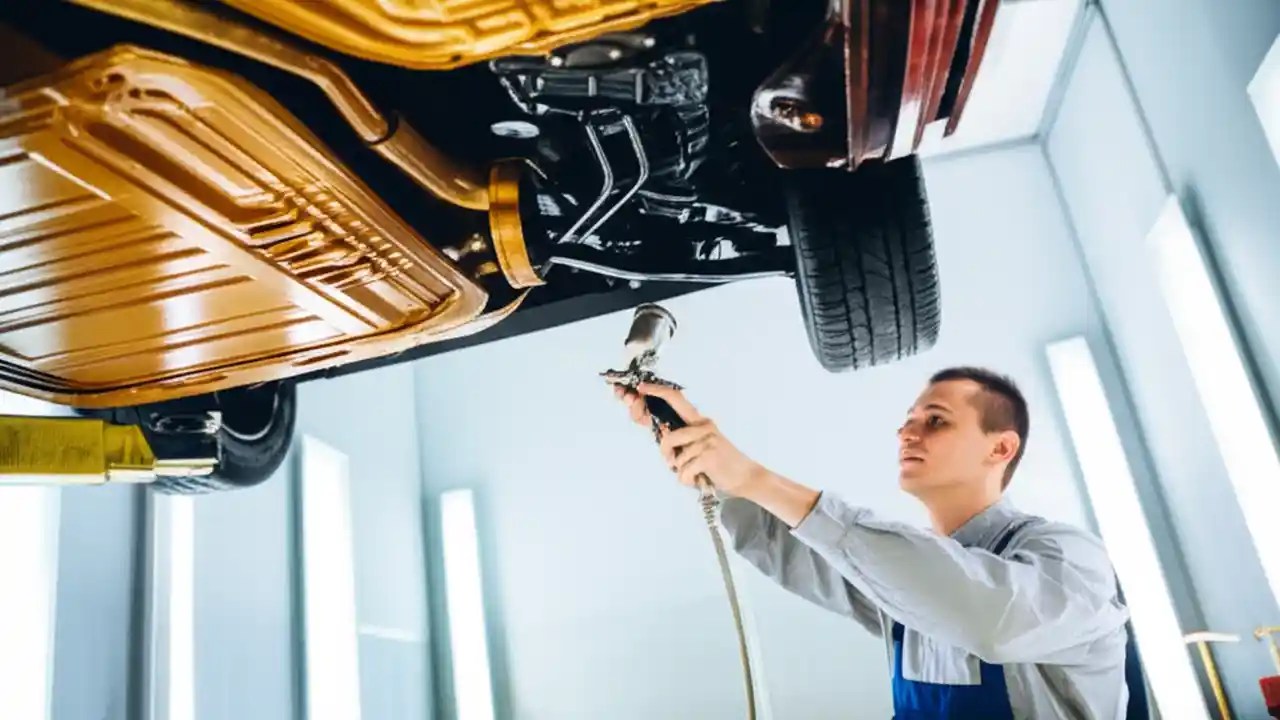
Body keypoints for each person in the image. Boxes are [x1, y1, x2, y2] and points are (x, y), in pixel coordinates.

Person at [613, 366, 1140, 719]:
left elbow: (991, 620)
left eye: (935, 420)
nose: (907, 433)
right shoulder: (906, 582)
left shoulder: (1066, 556)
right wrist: (704, 456)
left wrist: (752, 476)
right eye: (907, 421)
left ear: (1000, 447)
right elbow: (787, 547)